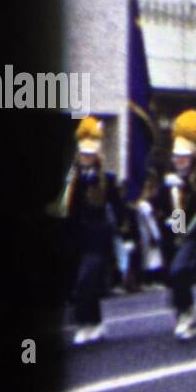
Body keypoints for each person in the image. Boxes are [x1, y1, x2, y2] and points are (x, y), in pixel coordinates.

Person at [63, 116, 124, 345]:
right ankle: (94, 322)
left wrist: (124, 234)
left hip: (98, 236)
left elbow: (118, 209)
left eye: (89, 155)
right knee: (84, 283)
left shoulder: (105, 180)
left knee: (85, 281)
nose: (85, 159)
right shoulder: (73, 178)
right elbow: (68, 208)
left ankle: (185, 317)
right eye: (83, 154)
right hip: (78, 237)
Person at [156, 109, 196, 341]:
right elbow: (160, 205)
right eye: (177, 157)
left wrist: (182, 186)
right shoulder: (169, 181)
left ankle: (187, 316)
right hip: (173, 235)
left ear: (191, 158)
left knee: (180, 270)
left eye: (184, 157)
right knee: (174, 277)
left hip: (190, 233)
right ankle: (184, 314)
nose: (180, 161)